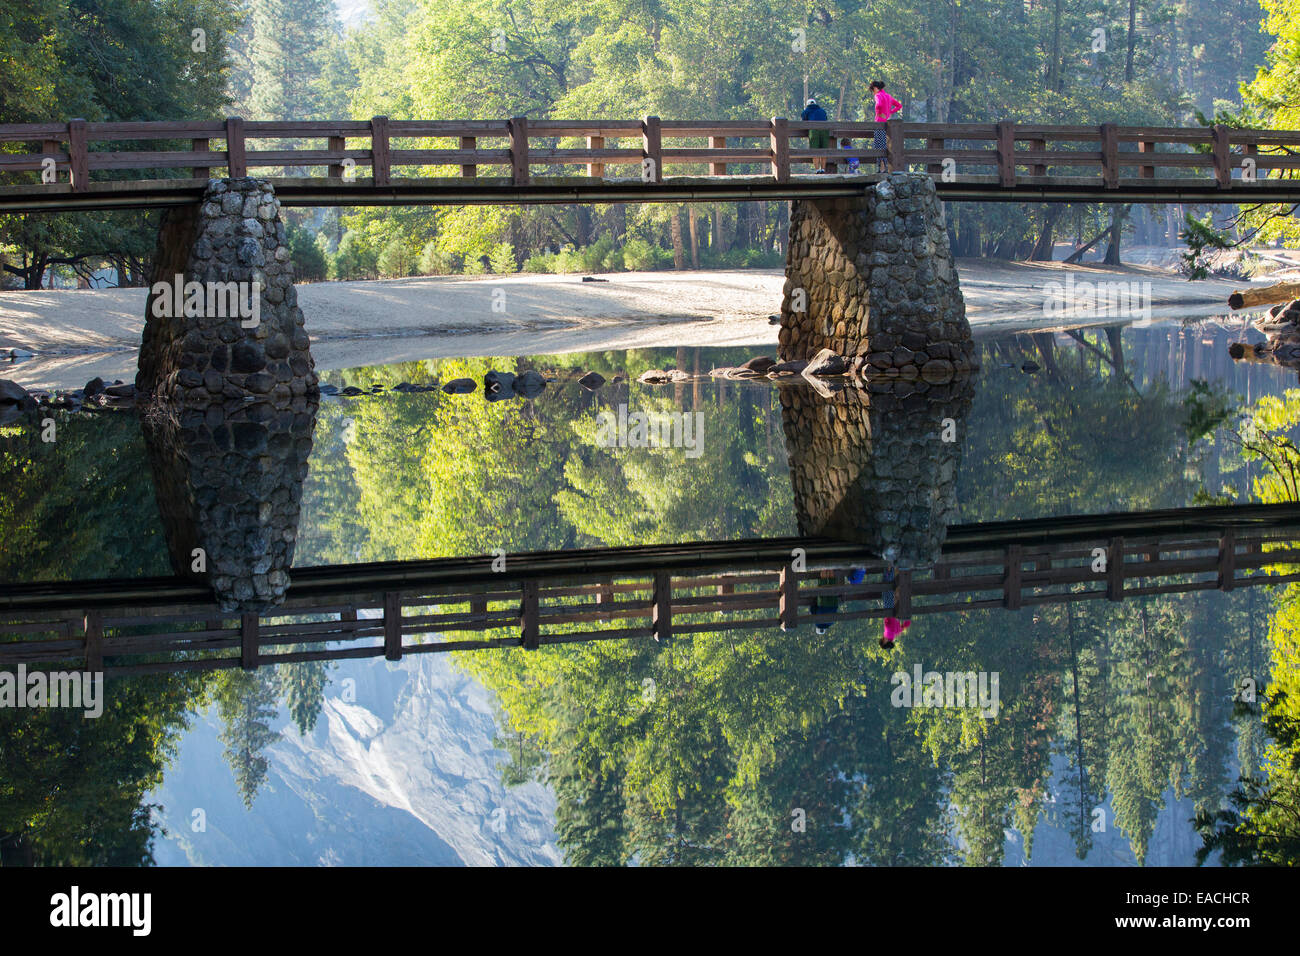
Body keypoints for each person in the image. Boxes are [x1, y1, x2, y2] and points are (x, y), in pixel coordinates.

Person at [869, 80, 903, 172]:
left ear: (875, 88)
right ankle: (885, 167)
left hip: (879, 123)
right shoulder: (888, 96)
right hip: (887, 124)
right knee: (885, 145)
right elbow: (899, 106)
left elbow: (879, 104)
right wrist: (890, 113)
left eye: (872, 90)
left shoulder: (878, 95)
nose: (873, 92)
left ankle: (882, 168)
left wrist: (879, 113)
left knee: (879, 145)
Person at [878, 564, 911, 650]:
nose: (882, 638)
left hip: (895, 608)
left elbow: (907, 624)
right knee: (886, 588)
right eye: (882, 640)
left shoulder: (896, 633)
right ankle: (890, 567)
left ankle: (892, 568)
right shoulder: (888, 634)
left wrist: (906, 614)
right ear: (885, 642)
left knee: (890, 588)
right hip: (888, 609)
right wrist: (885, 619)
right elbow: (887, 624)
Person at [801, 97, 830, 171]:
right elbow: (826, 119)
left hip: (814, 131)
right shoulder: (822, 111)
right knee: (824, 150)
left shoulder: (806, 111)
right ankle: (823, 169)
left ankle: (817, 170)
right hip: (825, 130)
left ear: (807, 105)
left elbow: (803, 121)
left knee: (815, 150)